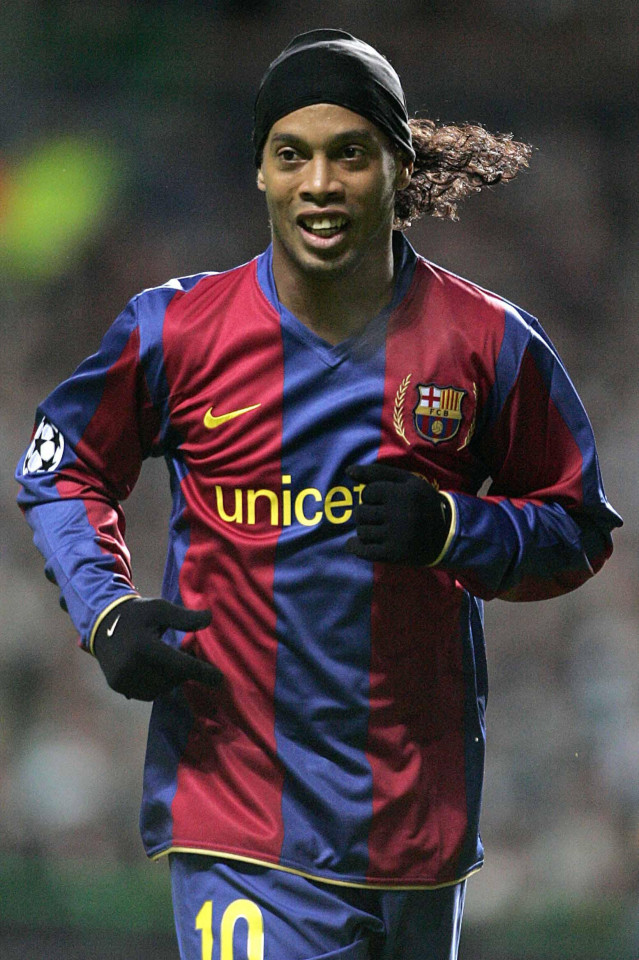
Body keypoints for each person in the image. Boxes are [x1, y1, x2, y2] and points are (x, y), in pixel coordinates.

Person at [16, 28, 621, 960]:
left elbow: (578, 527)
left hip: (417, 832)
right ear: (260, 172)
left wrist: (454, 527)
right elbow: (61, 469)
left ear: (398, 167)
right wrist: (105, 612)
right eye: (292, 154)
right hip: (238, 814)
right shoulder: (174, 331)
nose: (320, 183)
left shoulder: (488, 342)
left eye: (350, 154)